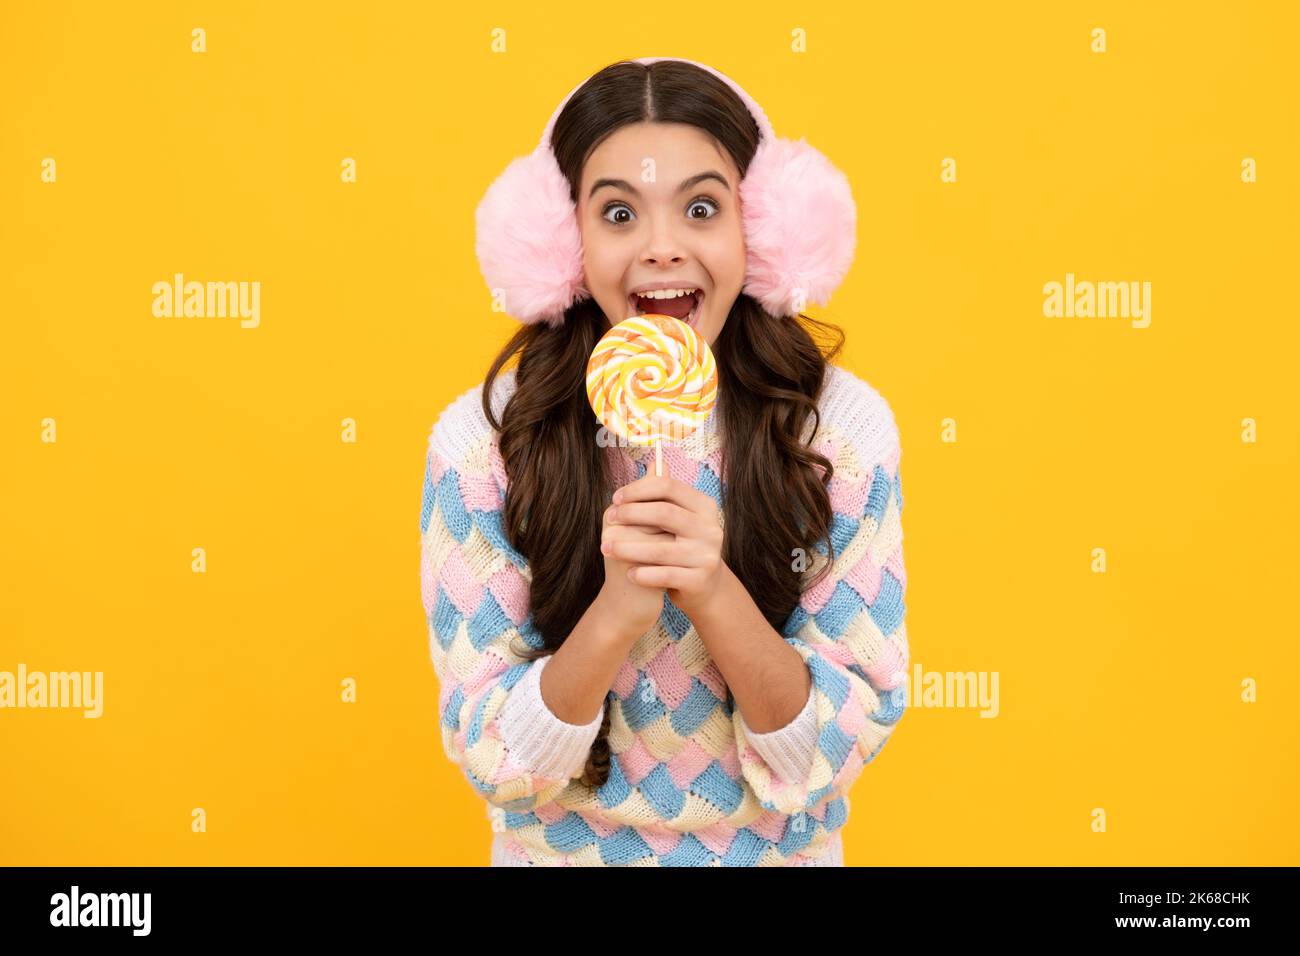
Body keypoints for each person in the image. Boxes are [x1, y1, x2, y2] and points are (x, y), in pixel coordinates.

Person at [420, 57, 909, 866]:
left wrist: (712, 590)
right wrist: (614, 613)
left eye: (702, 208)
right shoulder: (486, 442)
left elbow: (834, 750)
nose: (661, 248)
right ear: (563, 243)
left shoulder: (838, 433)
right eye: (618, 213)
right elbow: (495, 760)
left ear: (764, 229)